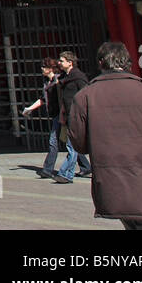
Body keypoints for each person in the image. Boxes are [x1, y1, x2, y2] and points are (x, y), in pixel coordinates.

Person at [68, 41, 142, 230]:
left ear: (100, 63)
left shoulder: (84, 97)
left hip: (112, 185)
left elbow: (79, 144)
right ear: (128, 63)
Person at [21, 57, 69, 179]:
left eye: (44, 66)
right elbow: (42, 99)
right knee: (70, 142)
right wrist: (29, 109)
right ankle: (85, 166)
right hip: (55, 114)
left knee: (54, 141)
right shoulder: (47, 82)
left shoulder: (58, 80)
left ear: (50, 68)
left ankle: (47, 170)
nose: (42, 69)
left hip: (61, 114)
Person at [49, 51, 91, 184]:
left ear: (70, 62)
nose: (59, 63)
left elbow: (86, 95)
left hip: (76, 116)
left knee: (71, 146)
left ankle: (65, 174)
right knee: (72, 146)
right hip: (67, 116)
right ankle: (71, 173)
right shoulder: (64, 78)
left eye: (62, 61)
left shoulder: (78, 77)